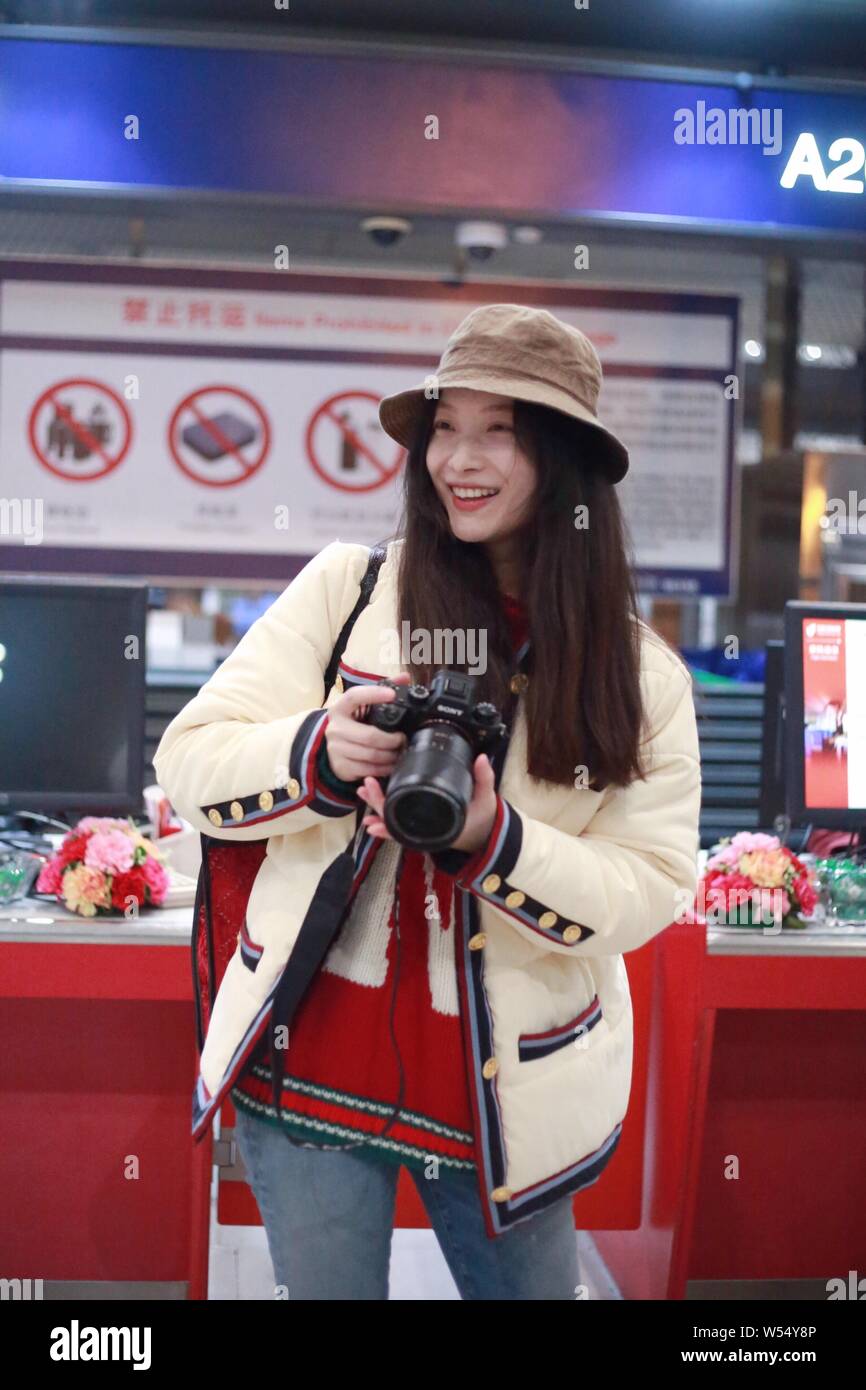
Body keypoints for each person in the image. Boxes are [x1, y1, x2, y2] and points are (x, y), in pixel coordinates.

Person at [153, 302, 702, 1300]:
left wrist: (498, 840)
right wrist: (321, 749)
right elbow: (189, 758)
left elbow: (650, 886)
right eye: (444, 426)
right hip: (307, 1060)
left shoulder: (637, 673)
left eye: (498, 427)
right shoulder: (348, 590)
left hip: (509, 1090)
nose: (459, 455)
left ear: (563, 455)